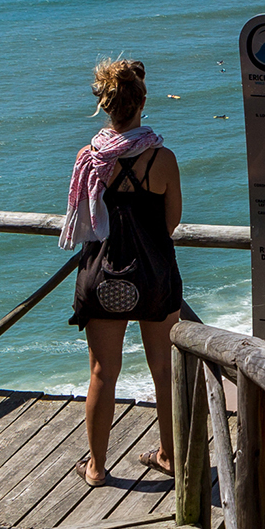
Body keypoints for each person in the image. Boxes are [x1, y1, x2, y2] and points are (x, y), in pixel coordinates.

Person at [63, 59, 183, 488]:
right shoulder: (162, 159)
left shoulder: (87, 158)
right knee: (164, 370)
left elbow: (83, 222)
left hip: (102, 275)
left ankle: (96, 467)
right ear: (142, 102)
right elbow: (170, 223)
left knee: (102, 372)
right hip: (153, 277)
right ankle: (169, 455)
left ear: (104, 104)